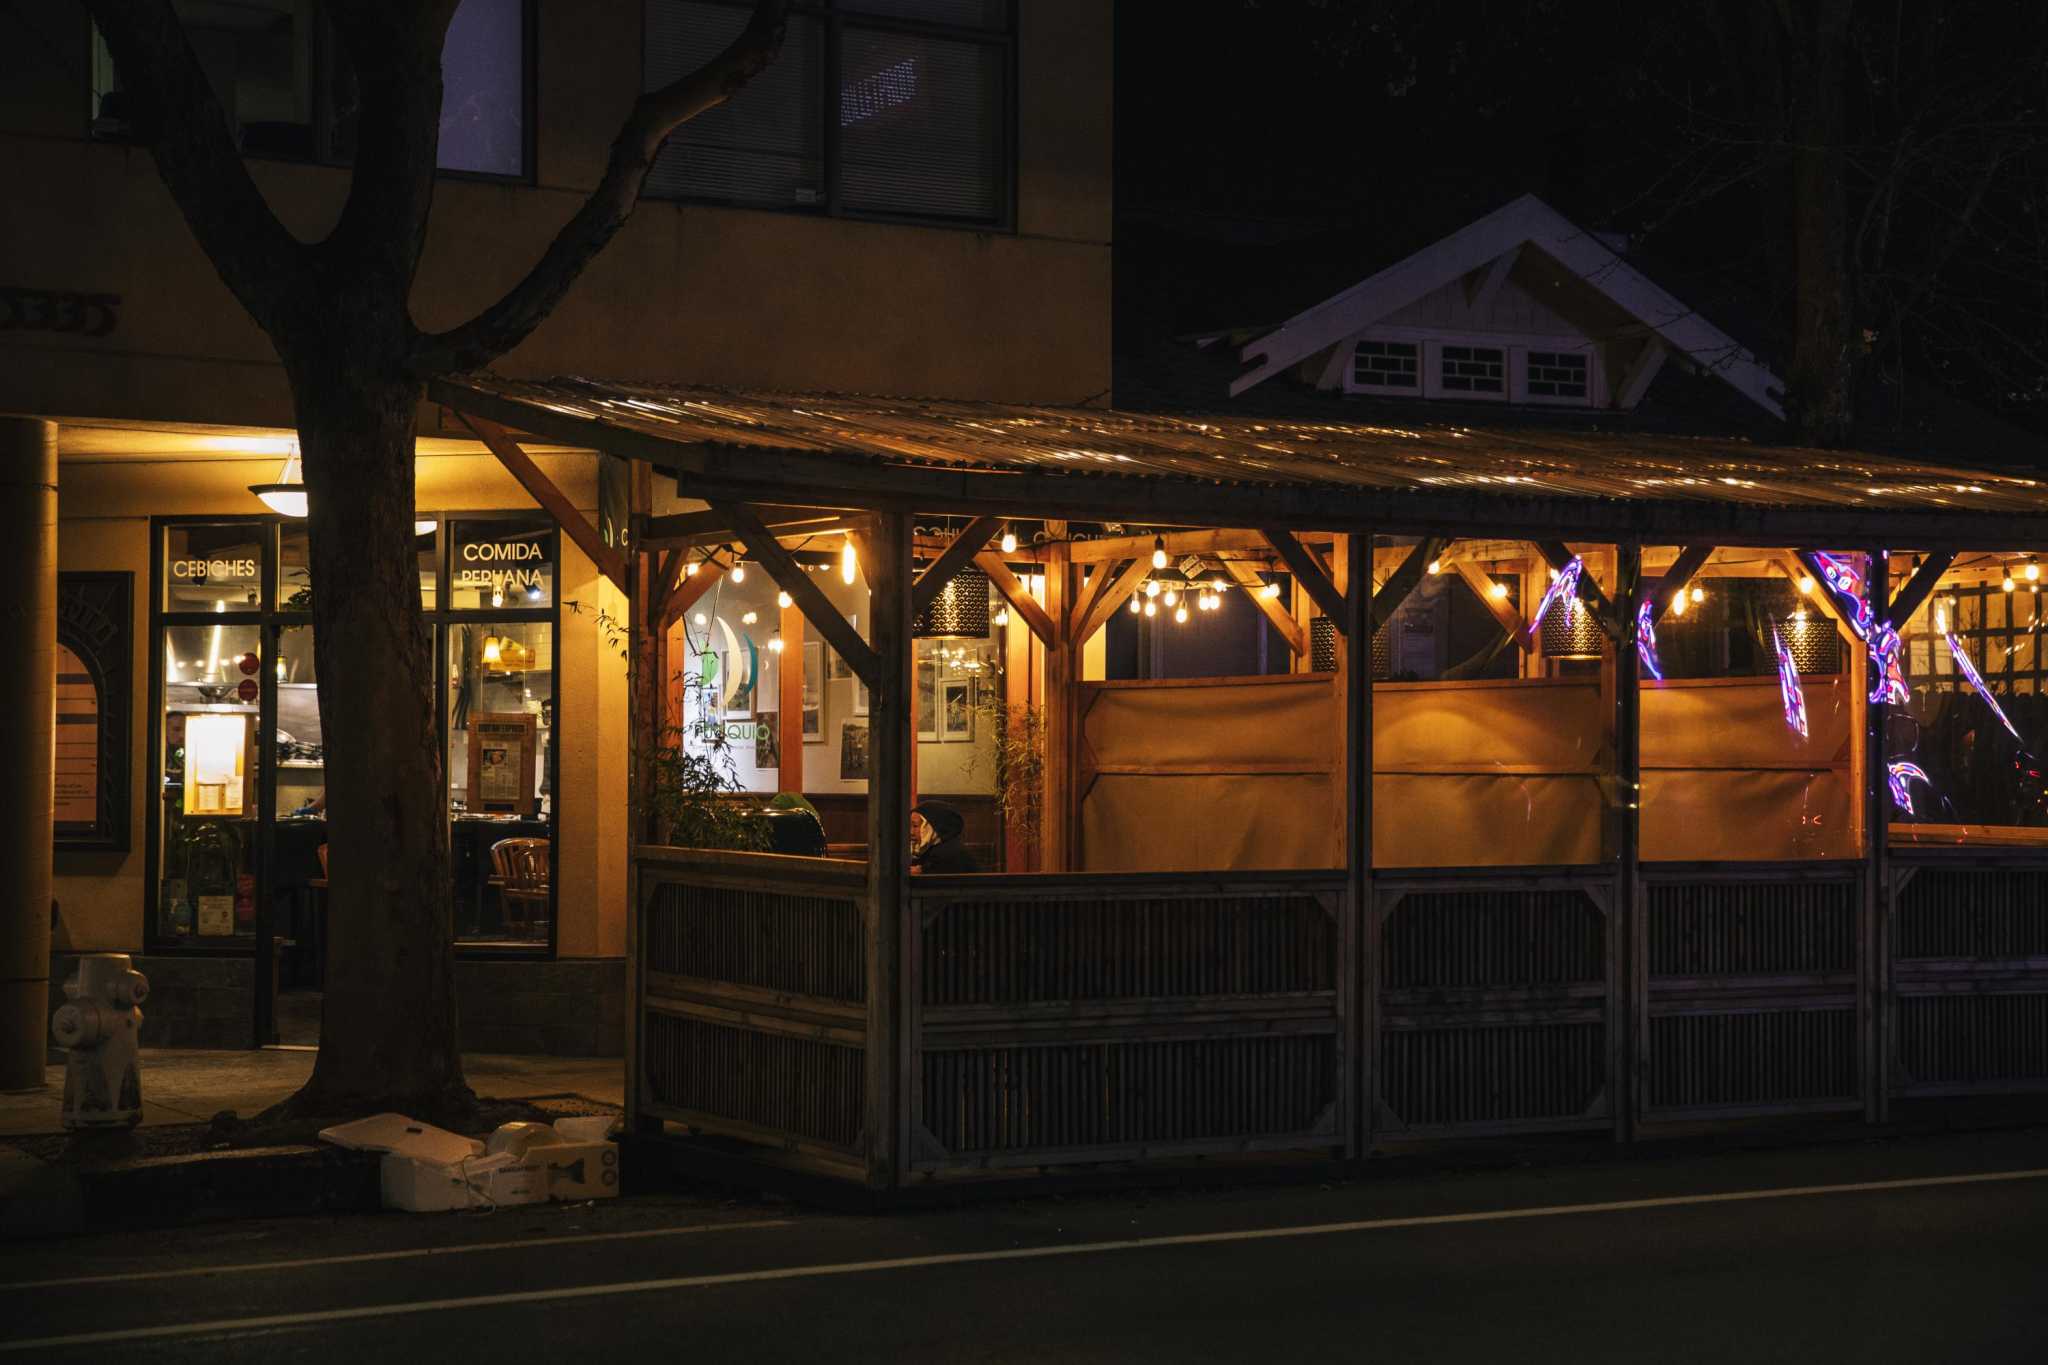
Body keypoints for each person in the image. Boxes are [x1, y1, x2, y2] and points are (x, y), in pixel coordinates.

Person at [910, 801, 980, 874]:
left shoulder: (950, 853)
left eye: (915, 826)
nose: (911, 832)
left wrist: (921, 871)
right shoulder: (930, 850)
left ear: (932, 827)